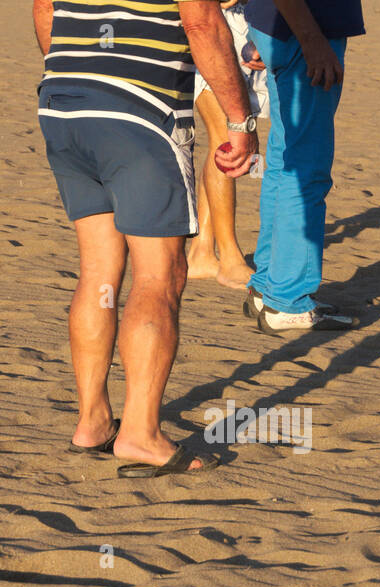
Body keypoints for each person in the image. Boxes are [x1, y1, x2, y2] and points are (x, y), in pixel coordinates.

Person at [34, 1, 260, 477]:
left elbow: (44, 7)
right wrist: (240, 121)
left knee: (98, 271)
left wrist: (72, 78)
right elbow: (201, 20)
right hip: (141, 112)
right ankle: (139, 433)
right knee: (159, 276)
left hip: (62, 104)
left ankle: (92, 421)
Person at [241, 0, 363, 334]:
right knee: (305, 168)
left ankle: (269, 284)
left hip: (286, 25)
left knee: (285, 160)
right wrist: (311, 40)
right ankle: (287, 300)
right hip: (305, 28)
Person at [187, 0, 270, 289]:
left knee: (222, 138)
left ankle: (202, 251)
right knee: (226, 139)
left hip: (241, 27)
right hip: (207, 30)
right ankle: (230, 258)